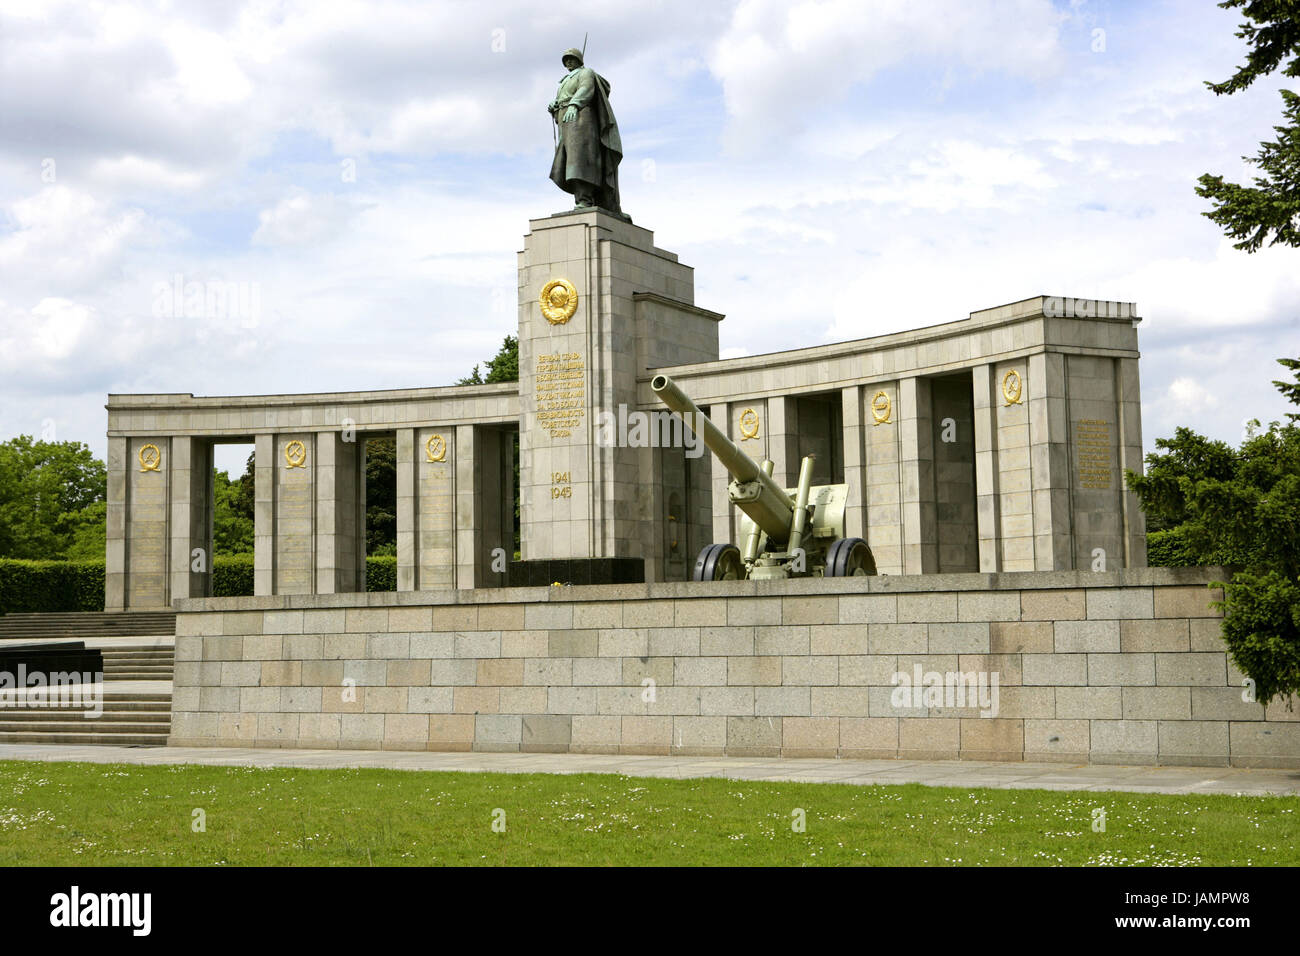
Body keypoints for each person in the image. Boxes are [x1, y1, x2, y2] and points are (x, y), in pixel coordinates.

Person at [547, 48, 627, 219]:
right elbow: (562, 100)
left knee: (580, 158)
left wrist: (575, 104)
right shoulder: (563, 81)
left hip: (581, 118)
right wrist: (554, 107)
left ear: (579, 60)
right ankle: (581, 198)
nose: (568, 62)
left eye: (571, 59)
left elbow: (586, 89)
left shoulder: (586, 73)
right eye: (566, 60)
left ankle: (585, 199)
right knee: (569, 160)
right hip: (565, 120)